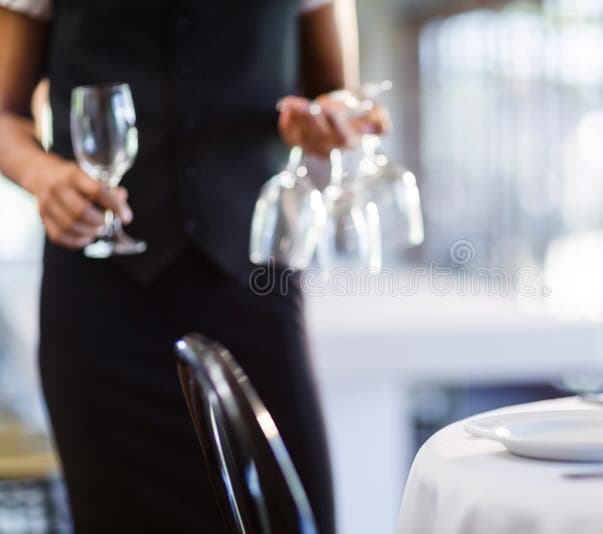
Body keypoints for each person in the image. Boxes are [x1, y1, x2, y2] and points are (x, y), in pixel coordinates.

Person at [0, 1, 389, 532]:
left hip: (255, 280)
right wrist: (44, 177)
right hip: (101, 301)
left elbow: (340, 94)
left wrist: (332, 122)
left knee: (287, 515)